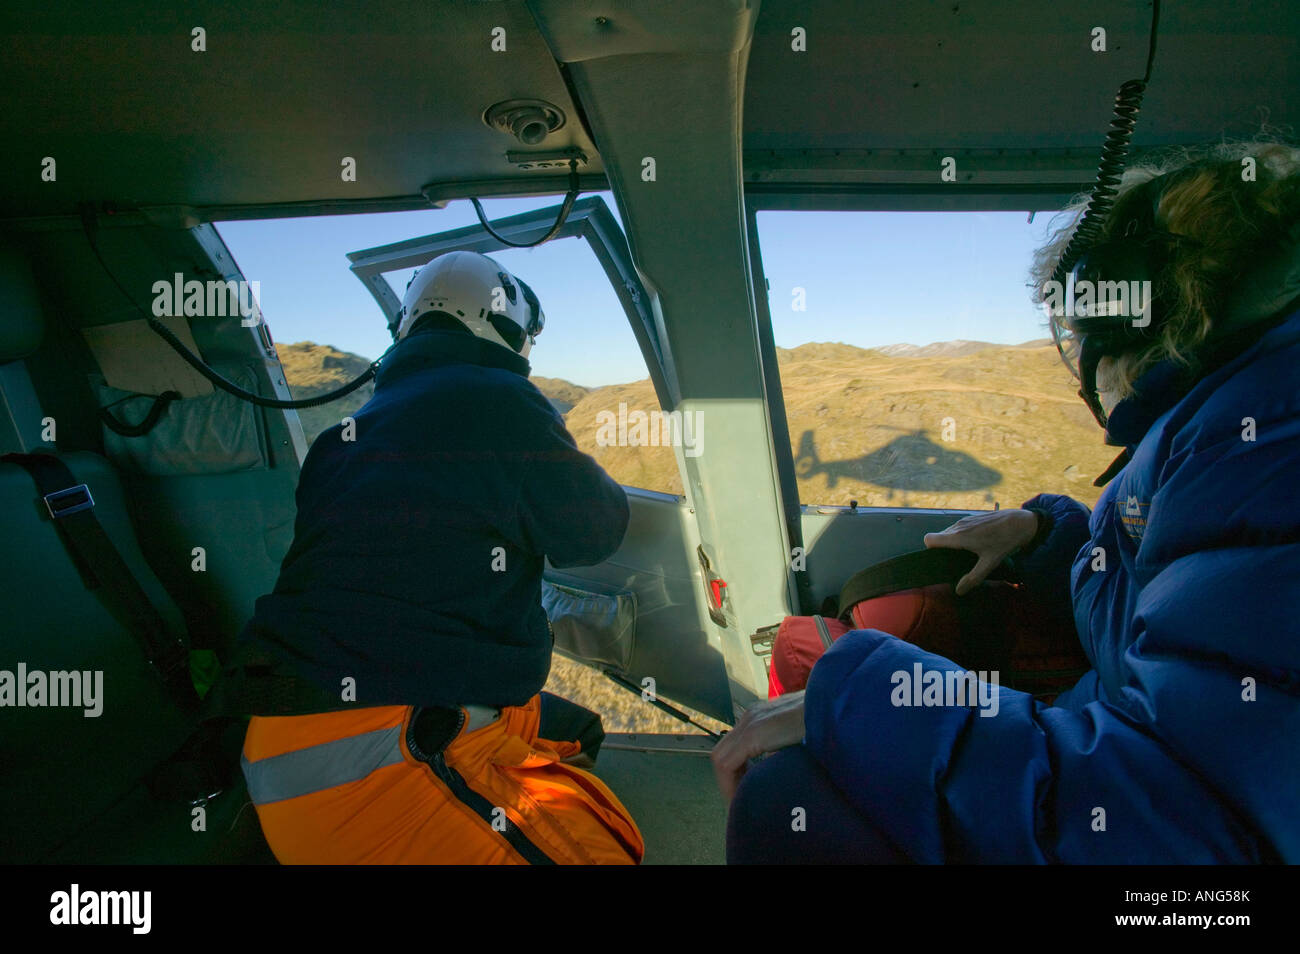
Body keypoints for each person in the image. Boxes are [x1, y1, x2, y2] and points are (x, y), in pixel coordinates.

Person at [715, 141, 1300, 863]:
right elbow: (1174, 596)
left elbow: (1182, 824)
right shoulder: (1237, 412)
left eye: (1085, 319)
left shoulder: (1265, 437)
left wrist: (858, 699)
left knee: (786, 801)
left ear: (1138, 309)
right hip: (1123, 740)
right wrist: (1045, 533)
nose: (1079, 347)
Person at [229, 250, 644, 864]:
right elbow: (594, 531)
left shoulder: (343, 435)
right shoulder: (502, 400)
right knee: (610, 854)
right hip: (376, 749)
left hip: (285, 730)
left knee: (577, 729)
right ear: (506, 330)